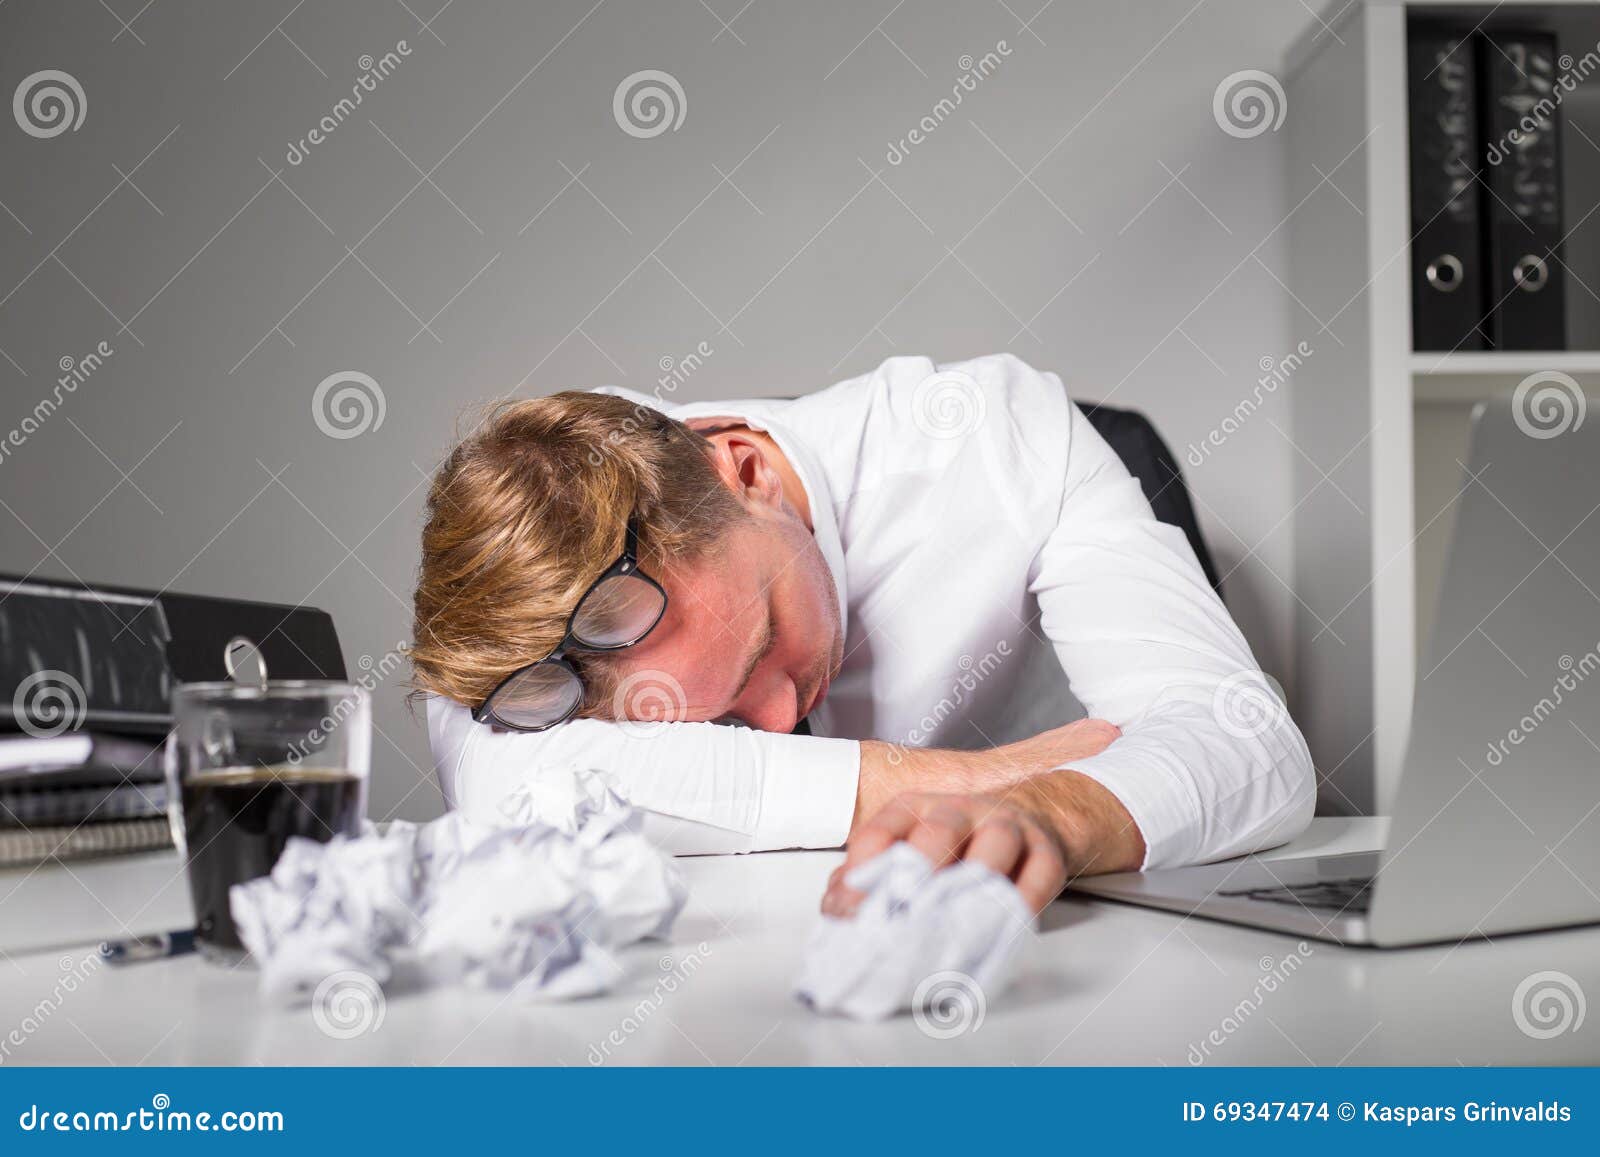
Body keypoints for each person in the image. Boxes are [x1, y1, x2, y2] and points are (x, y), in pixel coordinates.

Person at [411, 354, 1314, 915]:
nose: (772, 718)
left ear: (748, 469)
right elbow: (500, 790)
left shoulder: (1000, 443)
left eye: (765, 641)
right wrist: (951, 777)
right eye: (707, 720)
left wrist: (1054, 806)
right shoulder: (538, 539)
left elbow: (1247, 740)